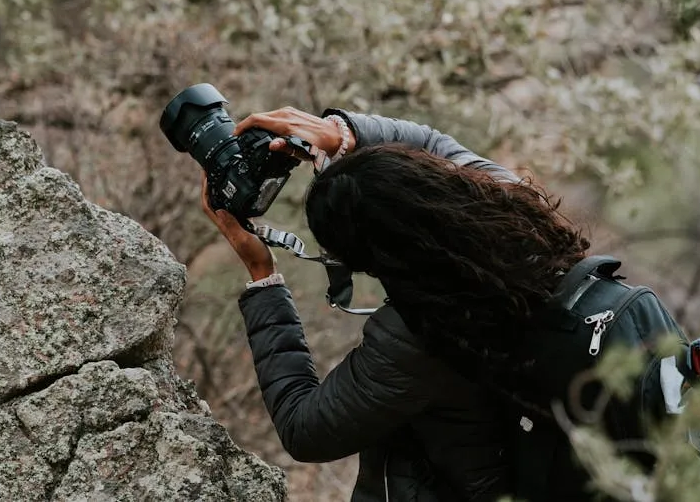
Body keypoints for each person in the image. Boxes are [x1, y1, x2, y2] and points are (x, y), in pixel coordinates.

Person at [199, 107, 592, 501]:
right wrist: (344, 135)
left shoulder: (419, 338)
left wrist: (262, 274)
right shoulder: (520, 218)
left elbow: (304, 430)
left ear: (371, 262)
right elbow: (436, 146)